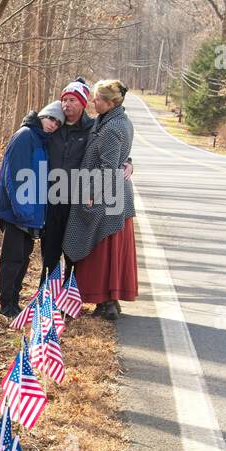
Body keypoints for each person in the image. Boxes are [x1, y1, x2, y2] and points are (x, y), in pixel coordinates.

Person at [43, 77, 134, 282]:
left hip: (81, 197)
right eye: (64, 99)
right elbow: (33, 127)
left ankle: (70, 295)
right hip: (55, 196)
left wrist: (127, 162)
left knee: (78, 248)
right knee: (50, 253)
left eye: (73, 100)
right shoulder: (53, 125)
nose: (67, 104)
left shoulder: (94, 127)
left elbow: (110, 159)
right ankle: (46, 295)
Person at [62, 79, 138, 319]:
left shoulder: (112, 128)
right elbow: (120, 159)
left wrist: (92, 195)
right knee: (105, 249)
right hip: (114, 194)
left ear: (110, 102)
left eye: (97, 99)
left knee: (100, 248)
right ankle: (109, 301)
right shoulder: (115, 120)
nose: (93, 103)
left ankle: (105, 301)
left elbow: (107, 167)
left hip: (107, 198)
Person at [0, 102, 62, 317]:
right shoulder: (25, 136)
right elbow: (14, 176)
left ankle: (14, 302)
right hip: (16, 212)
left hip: (30, 214)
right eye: (51, 119)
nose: (53, 125)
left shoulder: (40, 140)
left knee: (22, 260)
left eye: (58, 123)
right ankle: (6, 306)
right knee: (12, 260)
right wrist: (22, 211)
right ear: (42, 116)